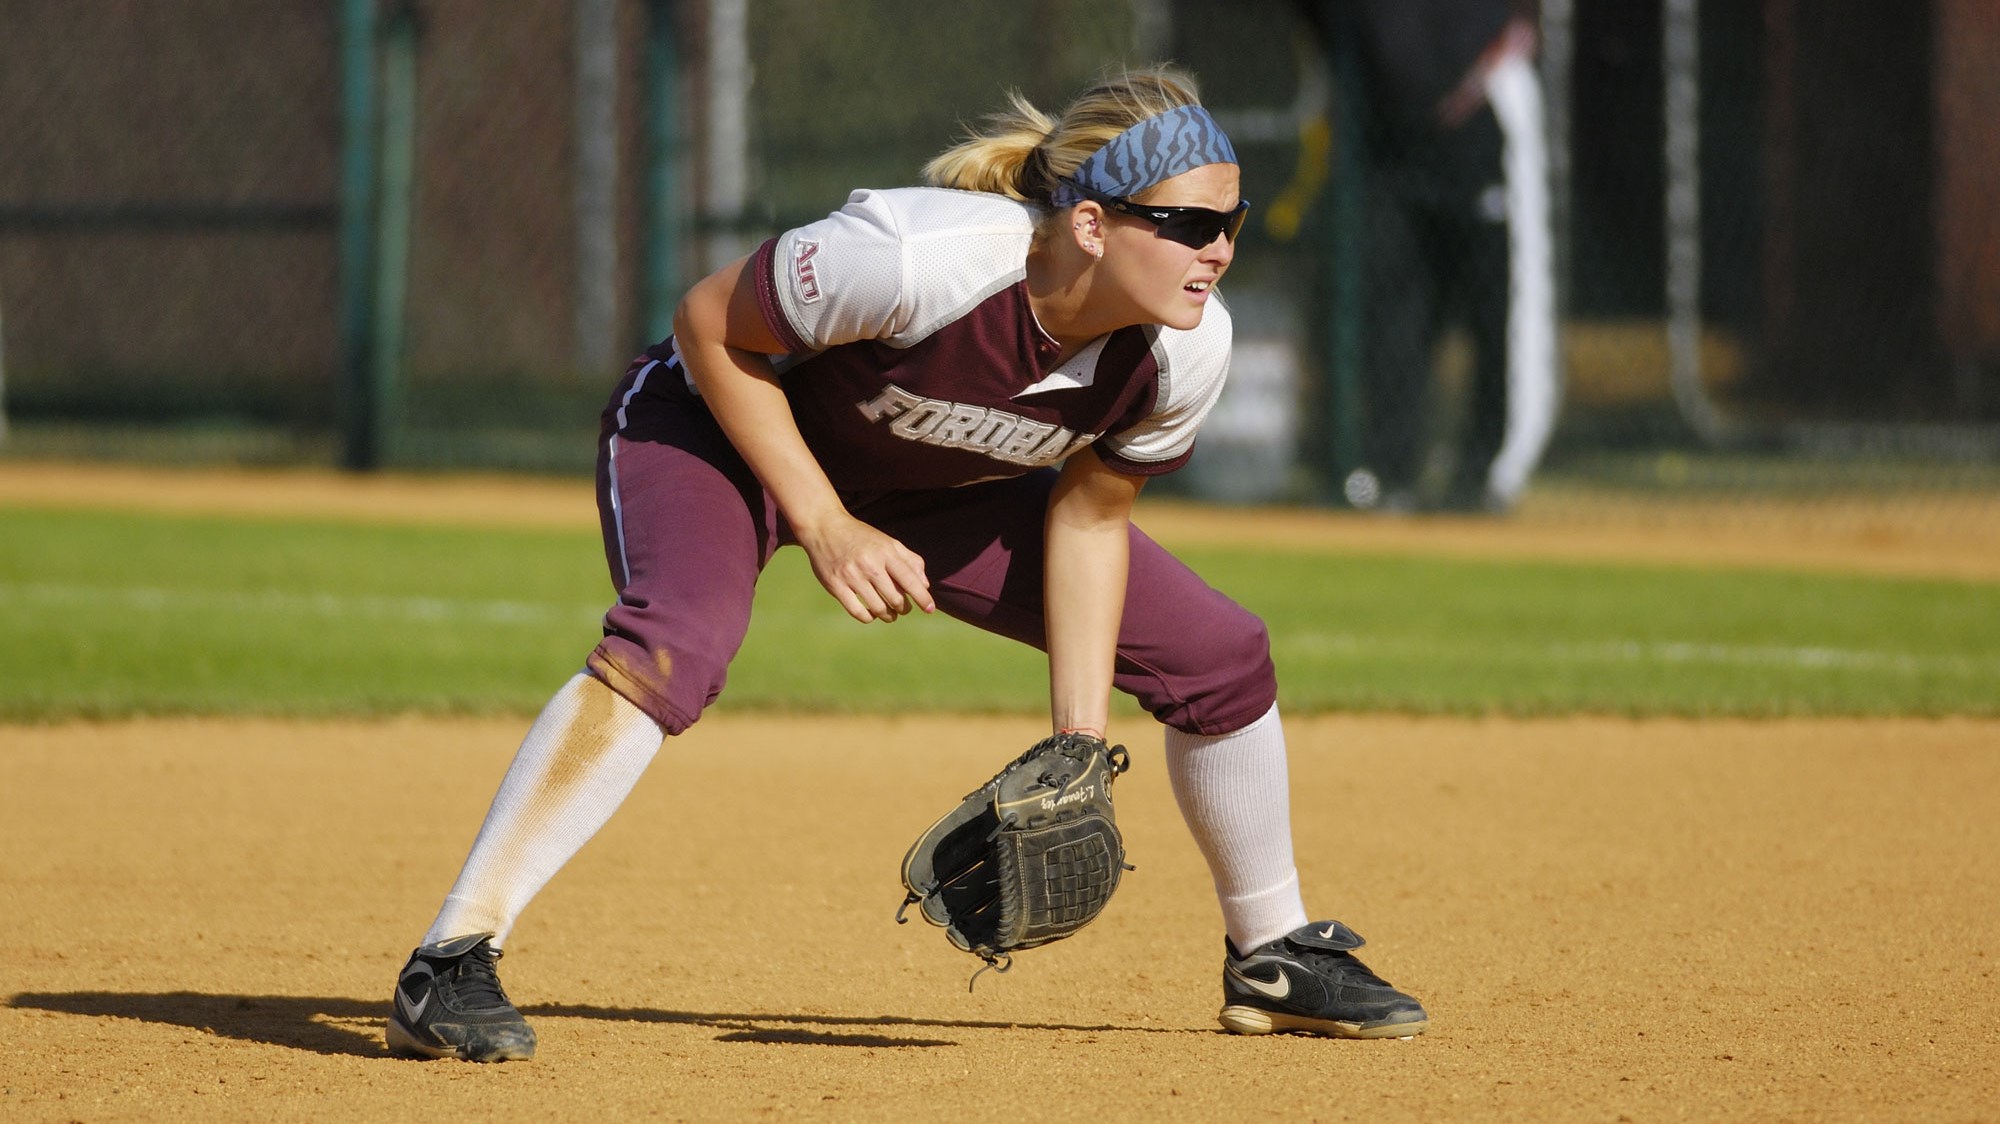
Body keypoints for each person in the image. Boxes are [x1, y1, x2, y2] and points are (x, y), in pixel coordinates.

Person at [384, 65, 1427, 1063]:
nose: (1218, 250)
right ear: (1092, 223)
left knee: (1218, 652)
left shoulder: (1181, 350)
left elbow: (1089, 520)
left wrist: (1076, 739)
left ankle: (1271, 952)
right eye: (1190, 224)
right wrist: (826, 522)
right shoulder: (917, 256)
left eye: (1230, 223)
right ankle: (451, 956)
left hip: (931, 487)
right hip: (714, 428)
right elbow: (708, 327)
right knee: (675, 646)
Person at [1298, 0, 1558, 513]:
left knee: (1497, 315)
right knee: (1394, 311)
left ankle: (1488, 470)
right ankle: (1389, 469)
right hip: (1389, 147)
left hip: (1482, 135)